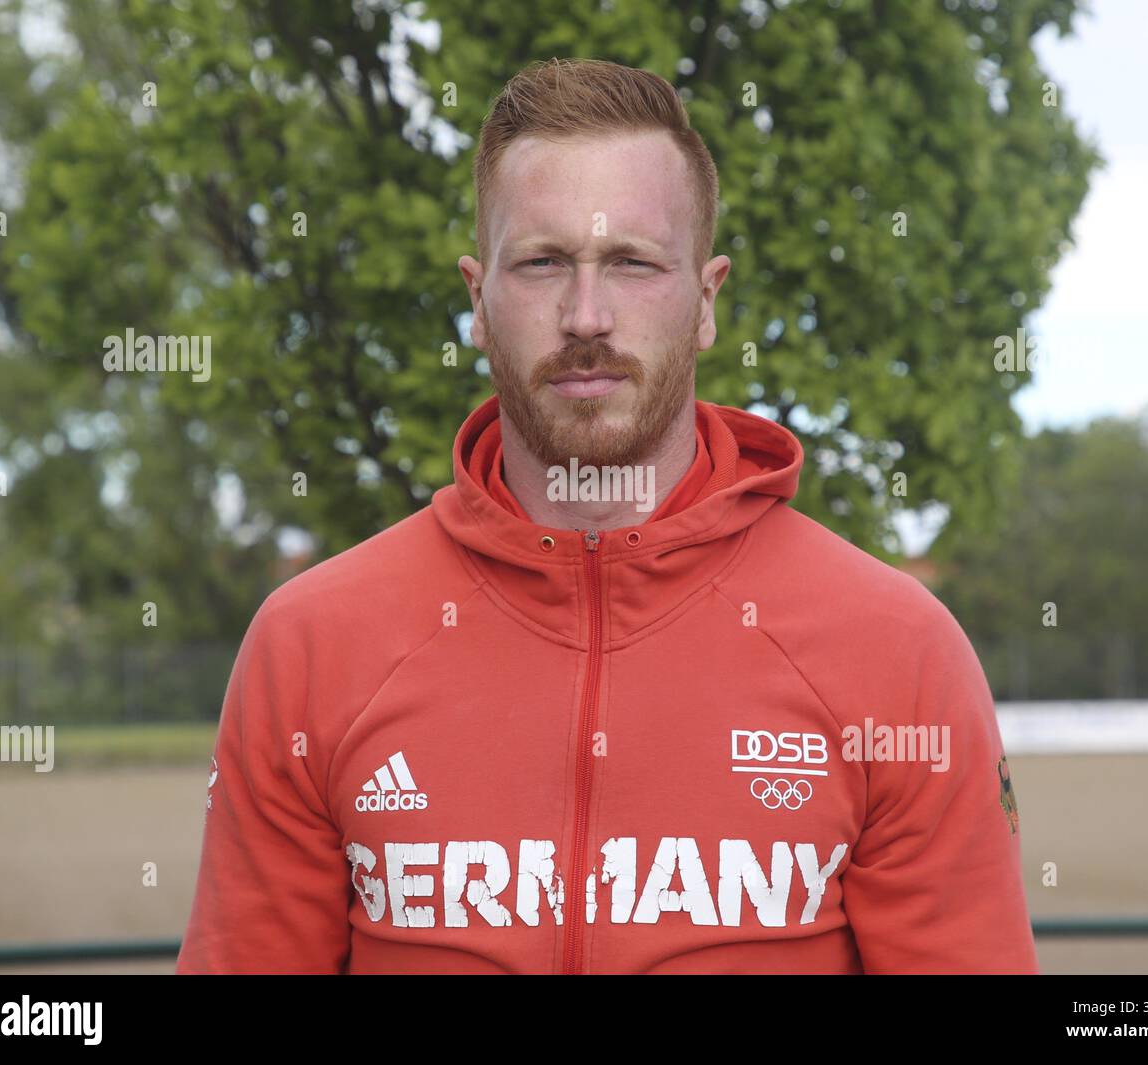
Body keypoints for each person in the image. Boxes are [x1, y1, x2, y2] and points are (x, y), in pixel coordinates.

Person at [177, 57, 1038, 975]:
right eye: (543, 262)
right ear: (477, 301)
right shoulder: (311, 645)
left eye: (632, 262)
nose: (586, 315)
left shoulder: (897, 650)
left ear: (705, 300)